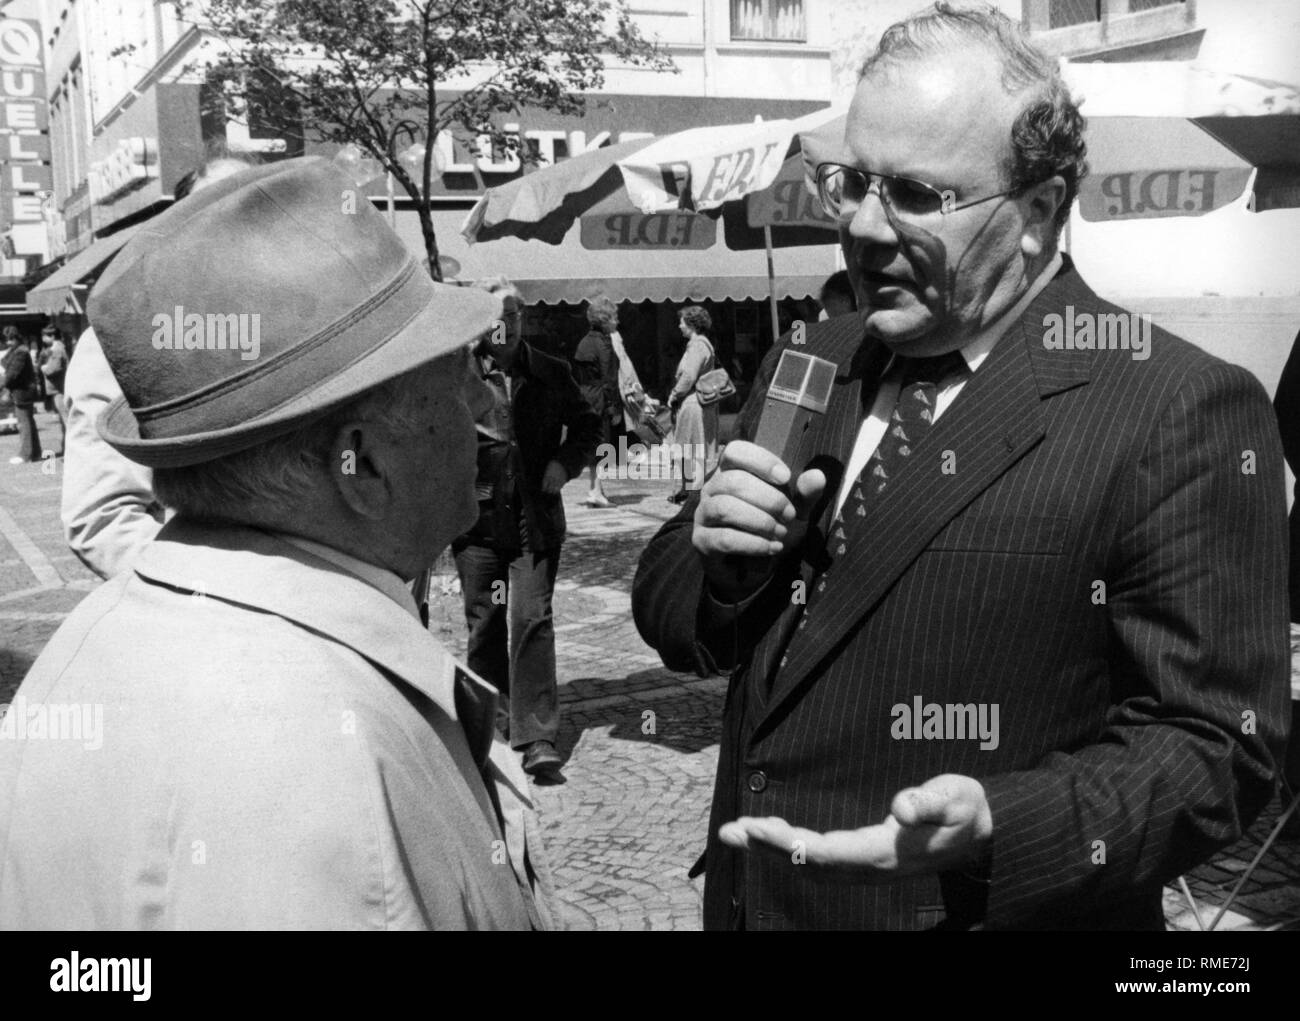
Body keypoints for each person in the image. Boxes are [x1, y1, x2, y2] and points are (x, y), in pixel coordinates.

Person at [632, 1, 1289, 930]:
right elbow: (678, 615)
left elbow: (1221, 747)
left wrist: (1000, 825)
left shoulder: (1175, 408)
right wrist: (720, 566)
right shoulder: (814, 357)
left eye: (913, 195)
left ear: (1038, 211)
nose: (861, 225)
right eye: (849, 182)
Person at [0, 156, 554, 929]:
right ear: (361, 463)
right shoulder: (323, 769)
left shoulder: (91, 649)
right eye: (451, 378)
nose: (480, 412)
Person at [60, 155, 253, 578]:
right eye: (211, 210)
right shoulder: (127, 338)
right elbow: (102, 518)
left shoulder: (306, 321)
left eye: (253, 207)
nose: (232, 225)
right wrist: (218, 593)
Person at [452, 279, 602, 780]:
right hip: (478, 516)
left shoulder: (551, 371)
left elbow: (589, 426)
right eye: (496, 315)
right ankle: (491, 726)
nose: (505, 324)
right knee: (486, 620)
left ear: (522, 318)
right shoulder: (457, 373)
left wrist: (565, 464)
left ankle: (537, 736)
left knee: (531, 618)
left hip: (534, 515)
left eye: (513, 314)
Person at [665, 305, 720, 504]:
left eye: (682, 322)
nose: (679, 326)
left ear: (692, 324)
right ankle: (689, 489)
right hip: (698, 401)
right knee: (694, 446)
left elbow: (688, 376)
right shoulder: (702, 344)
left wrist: (674, 394)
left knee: (692, 445)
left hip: (693, 402)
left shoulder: (697, 345)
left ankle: (693, 491)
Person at [572, 295, 622, 507]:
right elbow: (609, 379)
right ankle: (597, 492)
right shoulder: (604, 344)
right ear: (605, 319)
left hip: (585, 396)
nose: (617, 322)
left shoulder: (584, 341)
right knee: (602, 445)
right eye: (614, 318)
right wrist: (615, 407)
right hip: (600, 399)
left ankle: (595, 489)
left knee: (593, 446)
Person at [2, 326, 42, 464]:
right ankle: (36, 453)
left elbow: (12, 374)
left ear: (17, 338)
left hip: (23, 392)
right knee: (29, 422)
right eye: (7, 340)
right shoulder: (18, 350)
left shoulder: (21, 352)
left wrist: (1, 385)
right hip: (23, 391)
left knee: (23, 423)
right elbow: (5, 362)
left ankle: (25, 455)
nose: (8, 343)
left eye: (11, 339)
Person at [38, 325, 68, 456]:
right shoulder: (59, 348)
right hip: (58, 388)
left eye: (44, 336)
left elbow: (53, 368)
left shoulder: (57, 349)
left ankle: (70, 450)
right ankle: (66, 449)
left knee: (66, 420)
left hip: (58, 389)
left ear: (52, 336)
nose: (43, 339)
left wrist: (44, 368)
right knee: (64, 420)